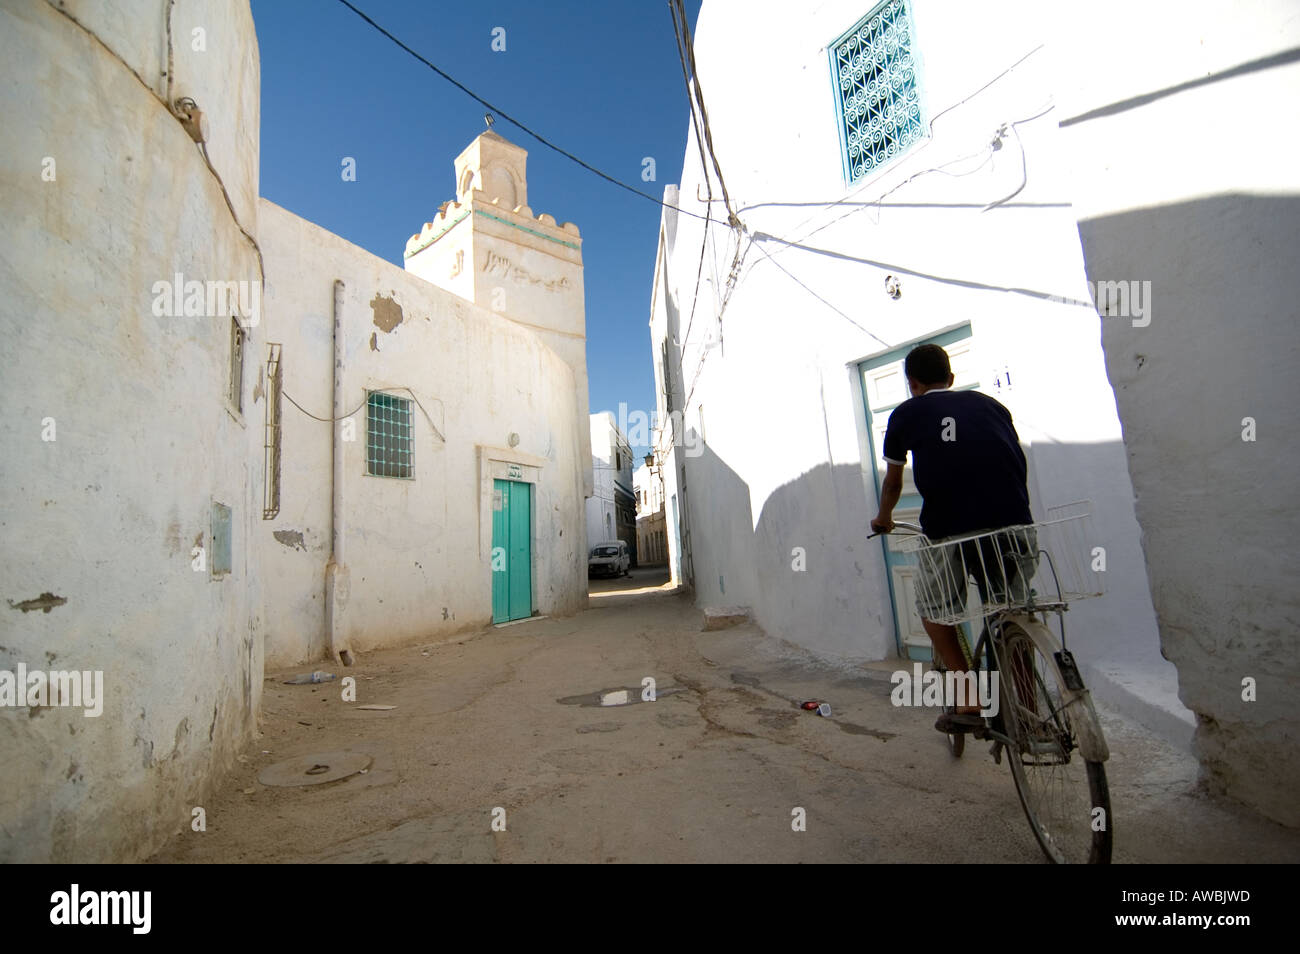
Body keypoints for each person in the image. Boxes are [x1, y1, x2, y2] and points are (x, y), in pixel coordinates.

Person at [869, 343, 1036, 732]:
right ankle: (1028, 701)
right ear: (952, 378)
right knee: (1012, 611)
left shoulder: (906, 414)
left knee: (934, 612)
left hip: (950, 530)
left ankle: (968, 697)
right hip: (1012, 524)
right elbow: (1016, 461)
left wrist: (883, 519)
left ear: (912, 383)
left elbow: (894, 483)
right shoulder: (991, 405)